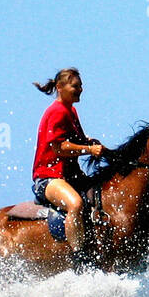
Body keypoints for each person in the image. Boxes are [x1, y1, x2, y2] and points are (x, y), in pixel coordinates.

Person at [31, 68, 105, 254]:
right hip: (49, 178)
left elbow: (76, 140)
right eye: (75, 86)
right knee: (76, 204)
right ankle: (79, 256)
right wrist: (88, 149)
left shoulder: (71, 111)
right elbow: (59, 147)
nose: (80, 89)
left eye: (81, 86)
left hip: (70, 176)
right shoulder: (57, 111)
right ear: (60, 87)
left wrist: (90, 143)